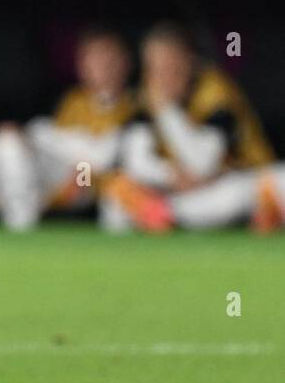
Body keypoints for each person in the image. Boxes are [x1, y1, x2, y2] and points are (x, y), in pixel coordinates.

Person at [103, 24, 277, 232]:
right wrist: (170, 176)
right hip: (182, 189)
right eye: (157, 69)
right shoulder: (146, 94)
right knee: (115, 198)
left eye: (172, 66)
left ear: (190, 61)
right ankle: (154, 223)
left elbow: (202, 164)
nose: (165, 77)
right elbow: (137, 161)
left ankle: (164, 215)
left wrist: (166, 111)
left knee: (263, 185)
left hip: (235, 183)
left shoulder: (216, 92)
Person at [0, 28, 136, 230]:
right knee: (10, 141)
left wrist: (75, 151)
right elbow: (46, 138)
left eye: (108, 57)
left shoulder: (135, 105)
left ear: (125, 61)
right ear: (81, 65)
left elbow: (105, 157)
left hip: (97, 184)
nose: (103, 65)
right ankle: (18, 224)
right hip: (67, 174)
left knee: (95, 167)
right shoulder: (72, 101)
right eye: (93, 58)